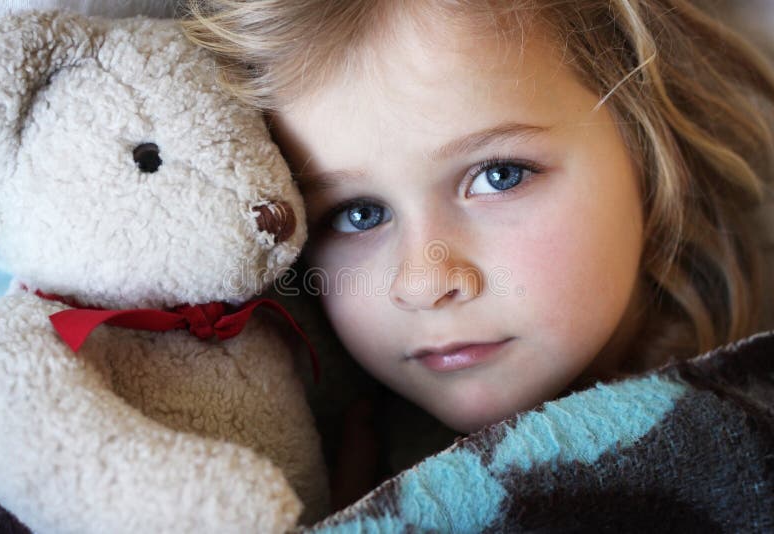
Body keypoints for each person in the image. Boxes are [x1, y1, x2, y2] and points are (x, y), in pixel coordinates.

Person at [184, 0, 774, 506]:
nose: (423, 281)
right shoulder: (323, 476)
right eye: (358, 214)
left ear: (644, 135)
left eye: (498, 176)